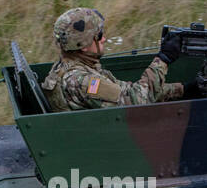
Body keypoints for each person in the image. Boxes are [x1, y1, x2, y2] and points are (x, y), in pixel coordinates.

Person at [40, 7, 185, 112]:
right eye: (99, 35)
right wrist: (163, 60)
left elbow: (126, 90)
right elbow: (137, 101)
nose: (104, 39)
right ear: (84, 45)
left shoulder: (73, 67)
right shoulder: (82, 81)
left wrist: (182, 89)